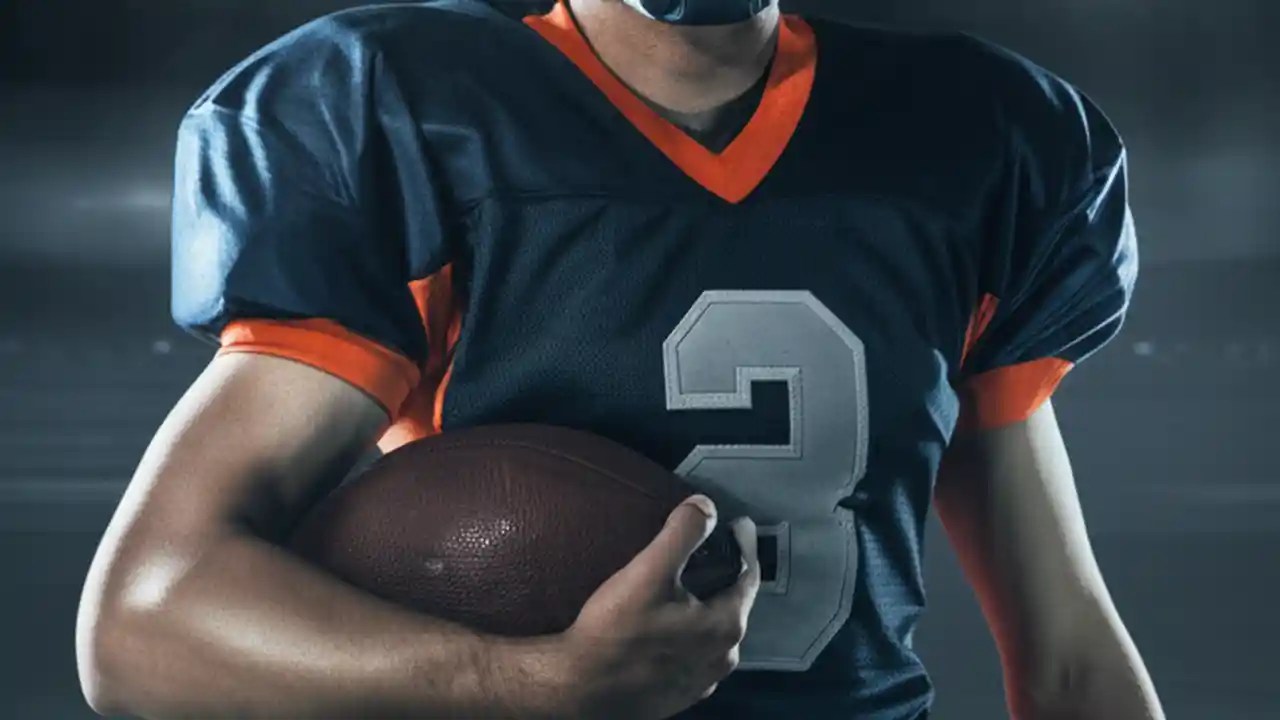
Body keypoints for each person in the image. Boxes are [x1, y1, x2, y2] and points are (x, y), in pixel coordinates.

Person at [76, 0, 1166, 718]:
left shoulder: (977, 137)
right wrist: (518, 685)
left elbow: (1065, 648)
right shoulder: (409, 113)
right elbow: (142, 623)